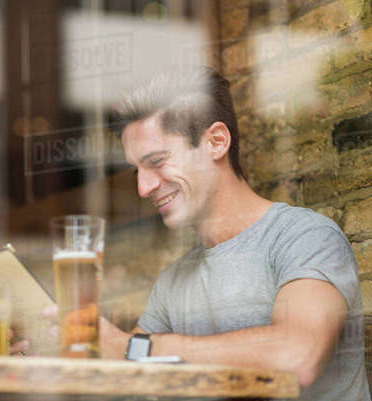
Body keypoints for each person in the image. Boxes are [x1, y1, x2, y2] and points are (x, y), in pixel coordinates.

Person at [94, 66, 369, 400]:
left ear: (216, 142)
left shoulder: (305, 237)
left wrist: (134, 347)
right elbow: (126, 376)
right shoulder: (173, 281)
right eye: (137, 169)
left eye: (157, 161)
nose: (142, 186)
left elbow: (298, 357)